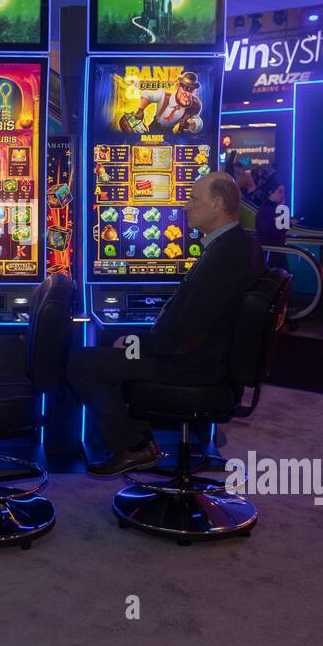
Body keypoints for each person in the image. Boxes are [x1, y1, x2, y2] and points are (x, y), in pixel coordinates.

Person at [67, 173, 266, 476]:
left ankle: (134, 446)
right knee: (105, 352)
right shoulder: (240, 244)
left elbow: (188, 335)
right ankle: (138, 438)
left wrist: (136, 342)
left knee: (81, 363)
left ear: (217, 204)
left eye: (194, 199)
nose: (185, 206)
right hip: (202, 356)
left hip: (189, 364)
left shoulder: (225, 256)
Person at [255, 178, 296, 270]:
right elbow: (272, 231)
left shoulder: (272, 208)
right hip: (271, 251)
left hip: (275, 250)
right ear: (271, 193)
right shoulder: (267, 210)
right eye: (280, 191)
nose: (283, 194)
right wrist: (289, 223)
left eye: (283, 191)